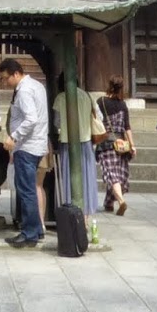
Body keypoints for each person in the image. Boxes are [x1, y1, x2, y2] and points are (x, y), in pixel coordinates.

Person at [0, 56, 48, 247]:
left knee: (26, 190)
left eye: (6, 78)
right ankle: (36, 228)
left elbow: (31, 118)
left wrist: (14, 136)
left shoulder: (25, 90)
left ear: (16, 74)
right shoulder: (37, 85)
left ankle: (29, 233)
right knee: (30, 189)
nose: (6, 82)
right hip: (36, 144)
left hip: (27, 146)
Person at [51, 73, 101, 222]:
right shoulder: (87, 95)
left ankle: (72, 216)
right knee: (86, 179)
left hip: (67, 142)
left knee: (68, 179)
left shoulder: (60, 98)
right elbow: (99, 117)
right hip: (85, 142)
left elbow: (57, 122)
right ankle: (85, 216)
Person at [97, 74, 135, 215]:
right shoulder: (122, 104)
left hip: (106, 142)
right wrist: (132, 145)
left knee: (111, 173)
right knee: (119, 173)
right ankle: (109, 203)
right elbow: (127, 127)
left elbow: (96, 122)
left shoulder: (101, 102)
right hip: (121, 146)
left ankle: (120, 201)